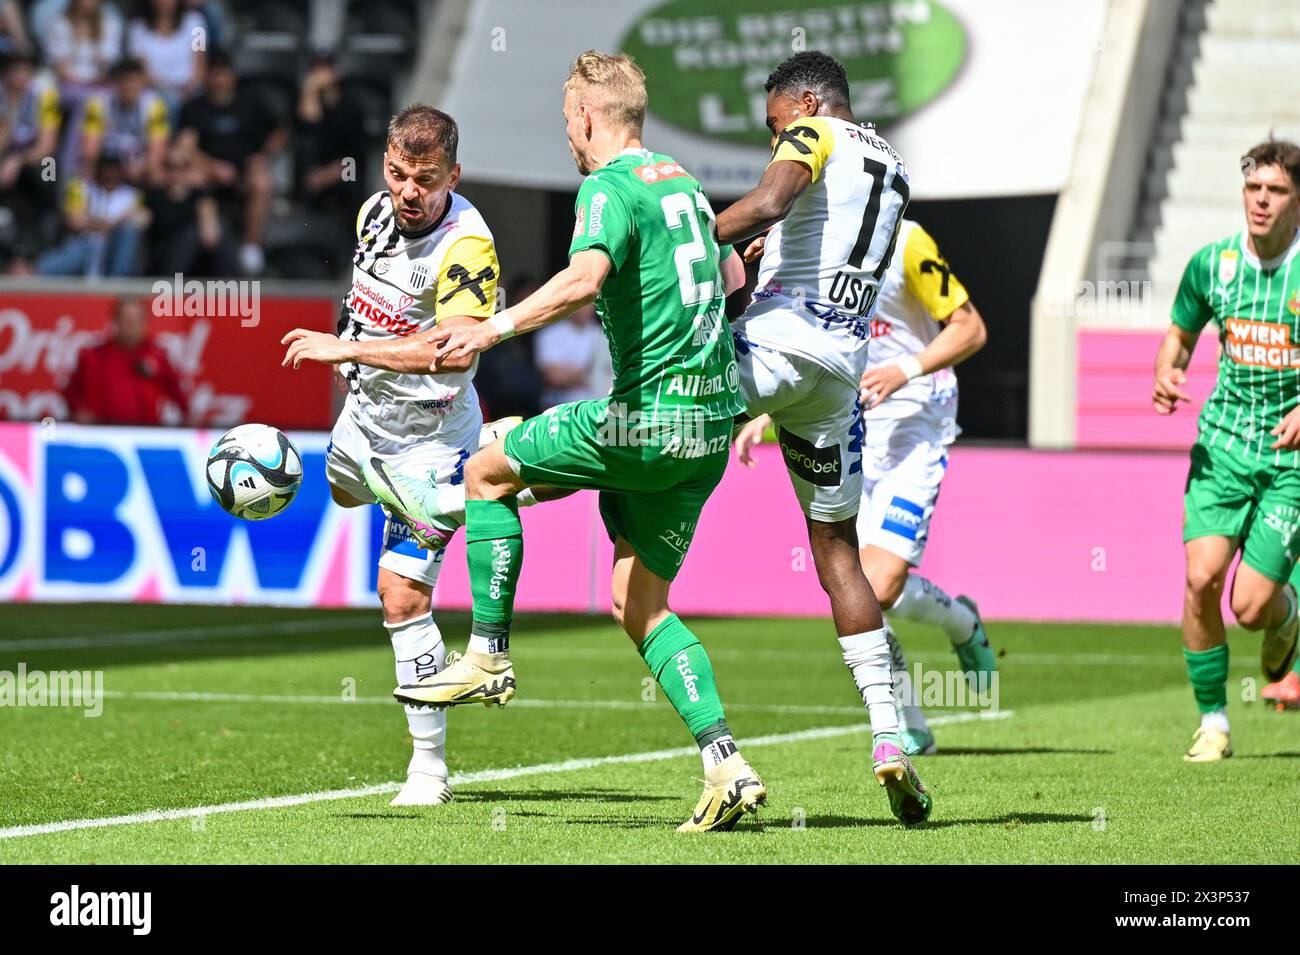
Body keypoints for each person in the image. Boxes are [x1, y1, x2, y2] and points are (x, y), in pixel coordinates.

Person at [358, 51, 769, 833]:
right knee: (636, 602)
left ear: (587, 116)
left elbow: (584, 279)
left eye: (567, 123)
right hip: (709, 427)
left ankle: (486, 652)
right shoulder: (680, 181)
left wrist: (496, 324)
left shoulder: (606, 188)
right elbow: (727, 278)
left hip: (645, 418)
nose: (569, 139)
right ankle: (726, 762)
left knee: (489, 467)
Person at [709, 50, 931, 826]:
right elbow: (824, 236)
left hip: (772, 351)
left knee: (649, 416)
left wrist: (692, 235)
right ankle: (887, 733)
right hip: (838, 377)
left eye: (777, 125)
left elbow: (772, 202)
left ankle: (507, 477)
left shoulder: (814, 137)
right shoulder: (895, 164)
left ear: (807, 103)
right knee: (837, 549)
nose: (776, 140)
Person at [279, 105, 502, 807]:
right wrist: (357, 354)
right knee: (340, 491)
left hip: (430, 440)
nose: (410, 191)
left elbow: (448, 347)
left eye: (426, 180)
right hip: (364, 426)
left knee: (400, 592)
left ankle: (429, 770)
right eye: (399, 173)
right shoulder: (373, 214)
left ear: (453, 176)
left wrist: (345, 348)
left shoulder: (469, 247)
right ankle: (494, 466)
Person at [734, 217, 992, 756]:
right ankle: (910, 720)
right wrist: (772, 413)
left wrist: (905, 368)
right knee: (862, 584)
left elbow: (970, 327)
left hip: (914, 426)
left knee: (878, 584)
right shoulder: (809, 243)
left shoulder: (907, 239)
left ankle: (963, 625)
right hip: (850, 422)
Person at [1153, 138, 1300, 761]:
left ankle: (1285, 618)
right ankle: (1213, 721)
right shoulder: (1212, 264)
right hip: (1221, 449)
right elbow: (1180, 334)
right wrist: (1167, 371)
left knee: (1250, 605)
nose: (1260, 201)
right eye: (1252, 188)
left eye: (1275, 191)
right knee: (1201, 578)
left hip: (1289, 463)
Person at [176, 50, 286, 275]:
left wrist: (263, 157)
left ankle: (251, 248)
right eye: (214, 74)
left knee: (262, 182)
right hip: (207, 174)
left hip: (243, 173)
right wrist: (211, 166)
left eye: (223, 74)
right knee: (188, 175)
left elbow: (281, 130)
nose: (219, 80)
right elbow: (184, 147)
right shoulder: (194, 107)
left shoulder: (250, 103)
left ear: (231, 76)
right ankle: (179, 255)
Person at [63, 296, 188, 424]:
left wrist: (187, 417)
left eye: (136, 319)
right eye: (126, 319)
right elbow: (70, 393)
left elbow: (178, 393)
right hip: (102, 432)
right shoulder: (93, 356)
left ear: (145, 322)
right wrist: (78, 411)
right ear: (115, 321)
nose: (131, 325)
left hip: (145, 433)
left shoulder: (158, 356)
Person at [36, 151, 149, 276]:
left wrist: (98, 224)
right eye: (106, 167)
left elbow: (143, 219)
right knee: (49, 266)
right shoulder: (81, 187)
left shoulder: (132, 195)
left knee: (128, 234)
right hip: (85, 247)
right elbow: (75, 221)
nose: (109, 172)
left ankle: (119, 283)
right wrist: (112, 224)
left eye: (113, 168)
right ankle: (32, 272)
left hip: (113, 250)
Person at [78, 57, 168, 186]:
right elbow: (90, 149)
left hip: (139, 161)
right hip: (107, 160)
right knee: (84, 171)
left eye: (136, 81)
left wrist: (141, 167)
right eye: (126, 81)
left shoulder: (154, 105)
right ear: (116, 83)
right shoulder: (98, 103)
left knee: (157, 174)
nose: (131, 86)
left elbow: (157, 150)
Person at [126, 0, 206, 115]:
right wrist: (168, 91)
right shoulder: (137, 28)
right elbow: (141, 70)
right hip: (155, 90)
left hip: (191, 89)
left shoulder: (196, 21)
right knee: (167, 102)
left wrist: (189, 87)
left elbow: (201, 62)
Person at [535, 301, 611, 406]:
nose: (584, 308)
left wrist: (571, 372)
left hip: (596, 409)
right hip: (559, 408)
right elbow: (554, 376)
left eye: (588, 303)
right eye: (580, 303)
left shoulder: (604, 335)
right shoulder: (550, 334)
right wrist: (593, 373)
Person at [46, 0, 123, 102]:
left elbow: (107, 65)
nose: (87, 2)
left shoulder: (110, 24)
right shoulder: (60, 24)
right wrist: (85, 83)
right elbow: (61, 68)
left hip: (99, 83)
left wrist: (98, 78)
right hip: (68, 83)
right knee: (88, 98)